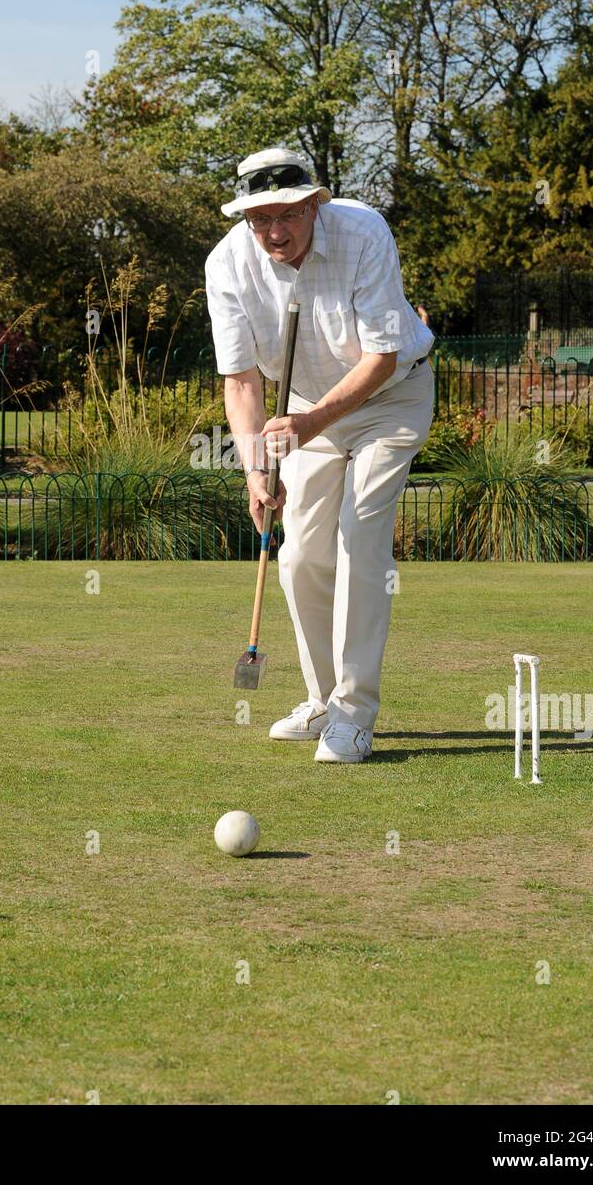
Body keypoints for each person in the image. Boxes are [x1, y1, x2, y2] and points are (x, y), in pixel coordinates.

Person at [205, 147, 434, 763]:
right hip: (301, 409)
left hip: (389, 398)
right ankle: (323, 698)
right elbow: (242, 381)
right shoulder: (227, 264)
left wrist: (306, 425)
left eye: (286, 215)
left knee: (360, 539)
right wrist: (256, 470)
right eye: (259, 220)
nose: (274, 232)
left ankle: (355, 716)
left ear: (313, 205)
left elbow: (381, 356)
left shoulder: (364, 231)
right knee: (301, 552)